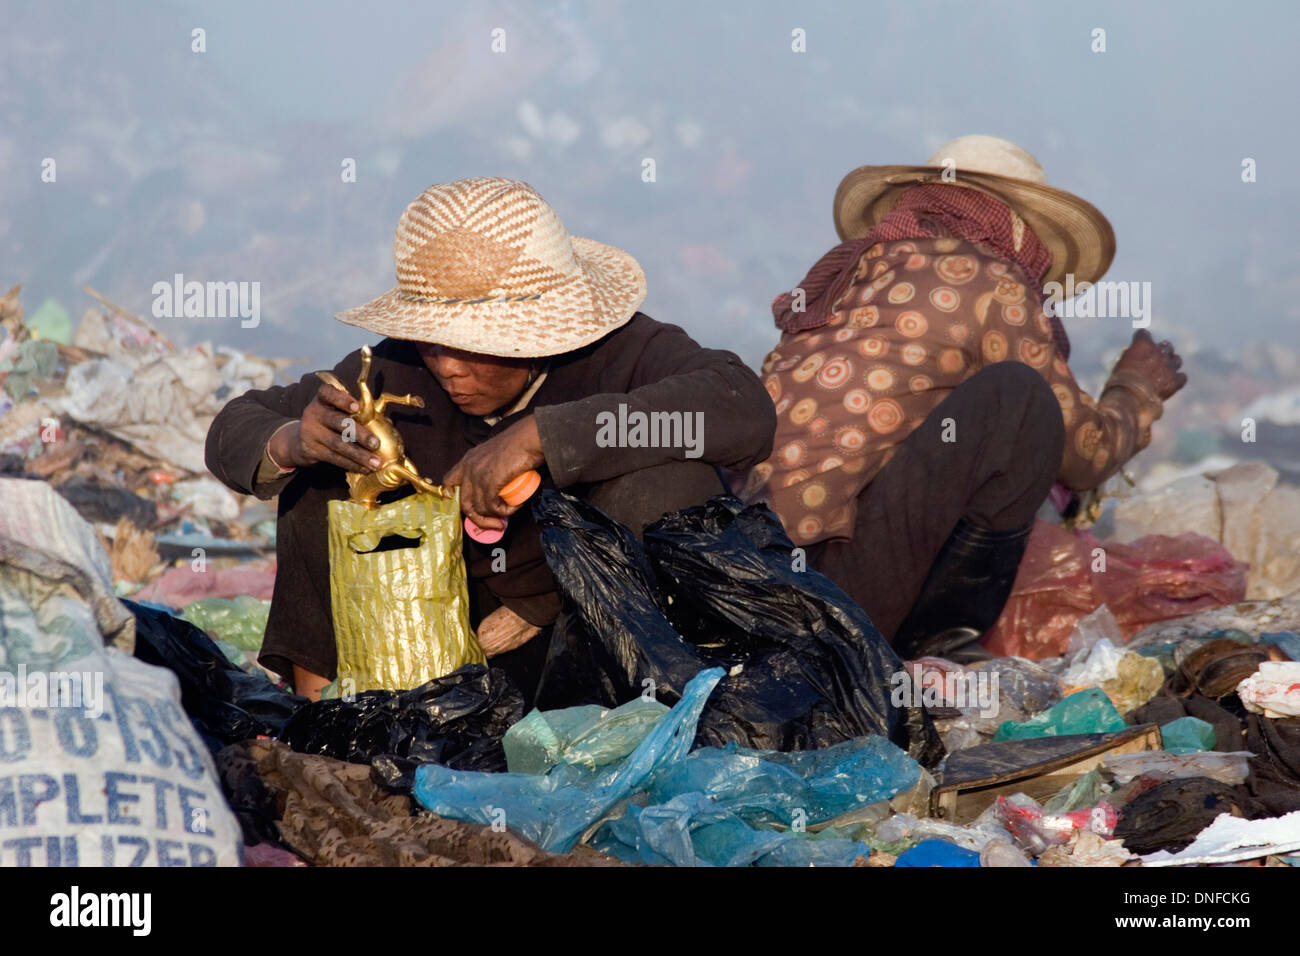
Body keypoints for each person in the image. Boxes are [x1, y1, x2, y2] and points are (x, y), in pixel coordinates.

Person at [206, 177, 775, 701]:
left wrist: (541, 437)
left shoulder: (623, 354)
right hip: (438, 640)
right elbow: (240, 421)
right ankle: (326, 716)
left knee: (668, 480)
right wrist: (290, 442)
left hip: (592, 638)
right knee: (324, 468)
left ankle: (652, 714)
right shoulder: (397, 372)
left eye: (471, 346)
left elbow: (740, 406)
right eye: (433, 342)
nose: (447, 367)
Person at [734, 136, 1187, 660]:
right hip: (834, 596)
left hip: (759, 575)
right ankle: (942, 644)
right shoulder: (988, 276)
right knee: (1018, 400)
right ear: (1015, 223)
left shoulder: (856, 275)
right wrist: (1136, 389)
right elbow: (1085, 452)